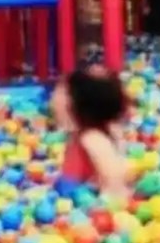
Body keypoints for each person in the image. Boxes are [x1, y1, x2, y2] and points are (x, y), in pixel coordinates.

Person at [52, 66, 130, 199]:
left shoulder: (92, 137)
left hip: (89, 210)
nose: (53, 99)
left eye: (60, 92)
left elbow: (114, 176)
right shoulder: (77, 136)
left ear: (74, 104)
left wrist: (102, 206)